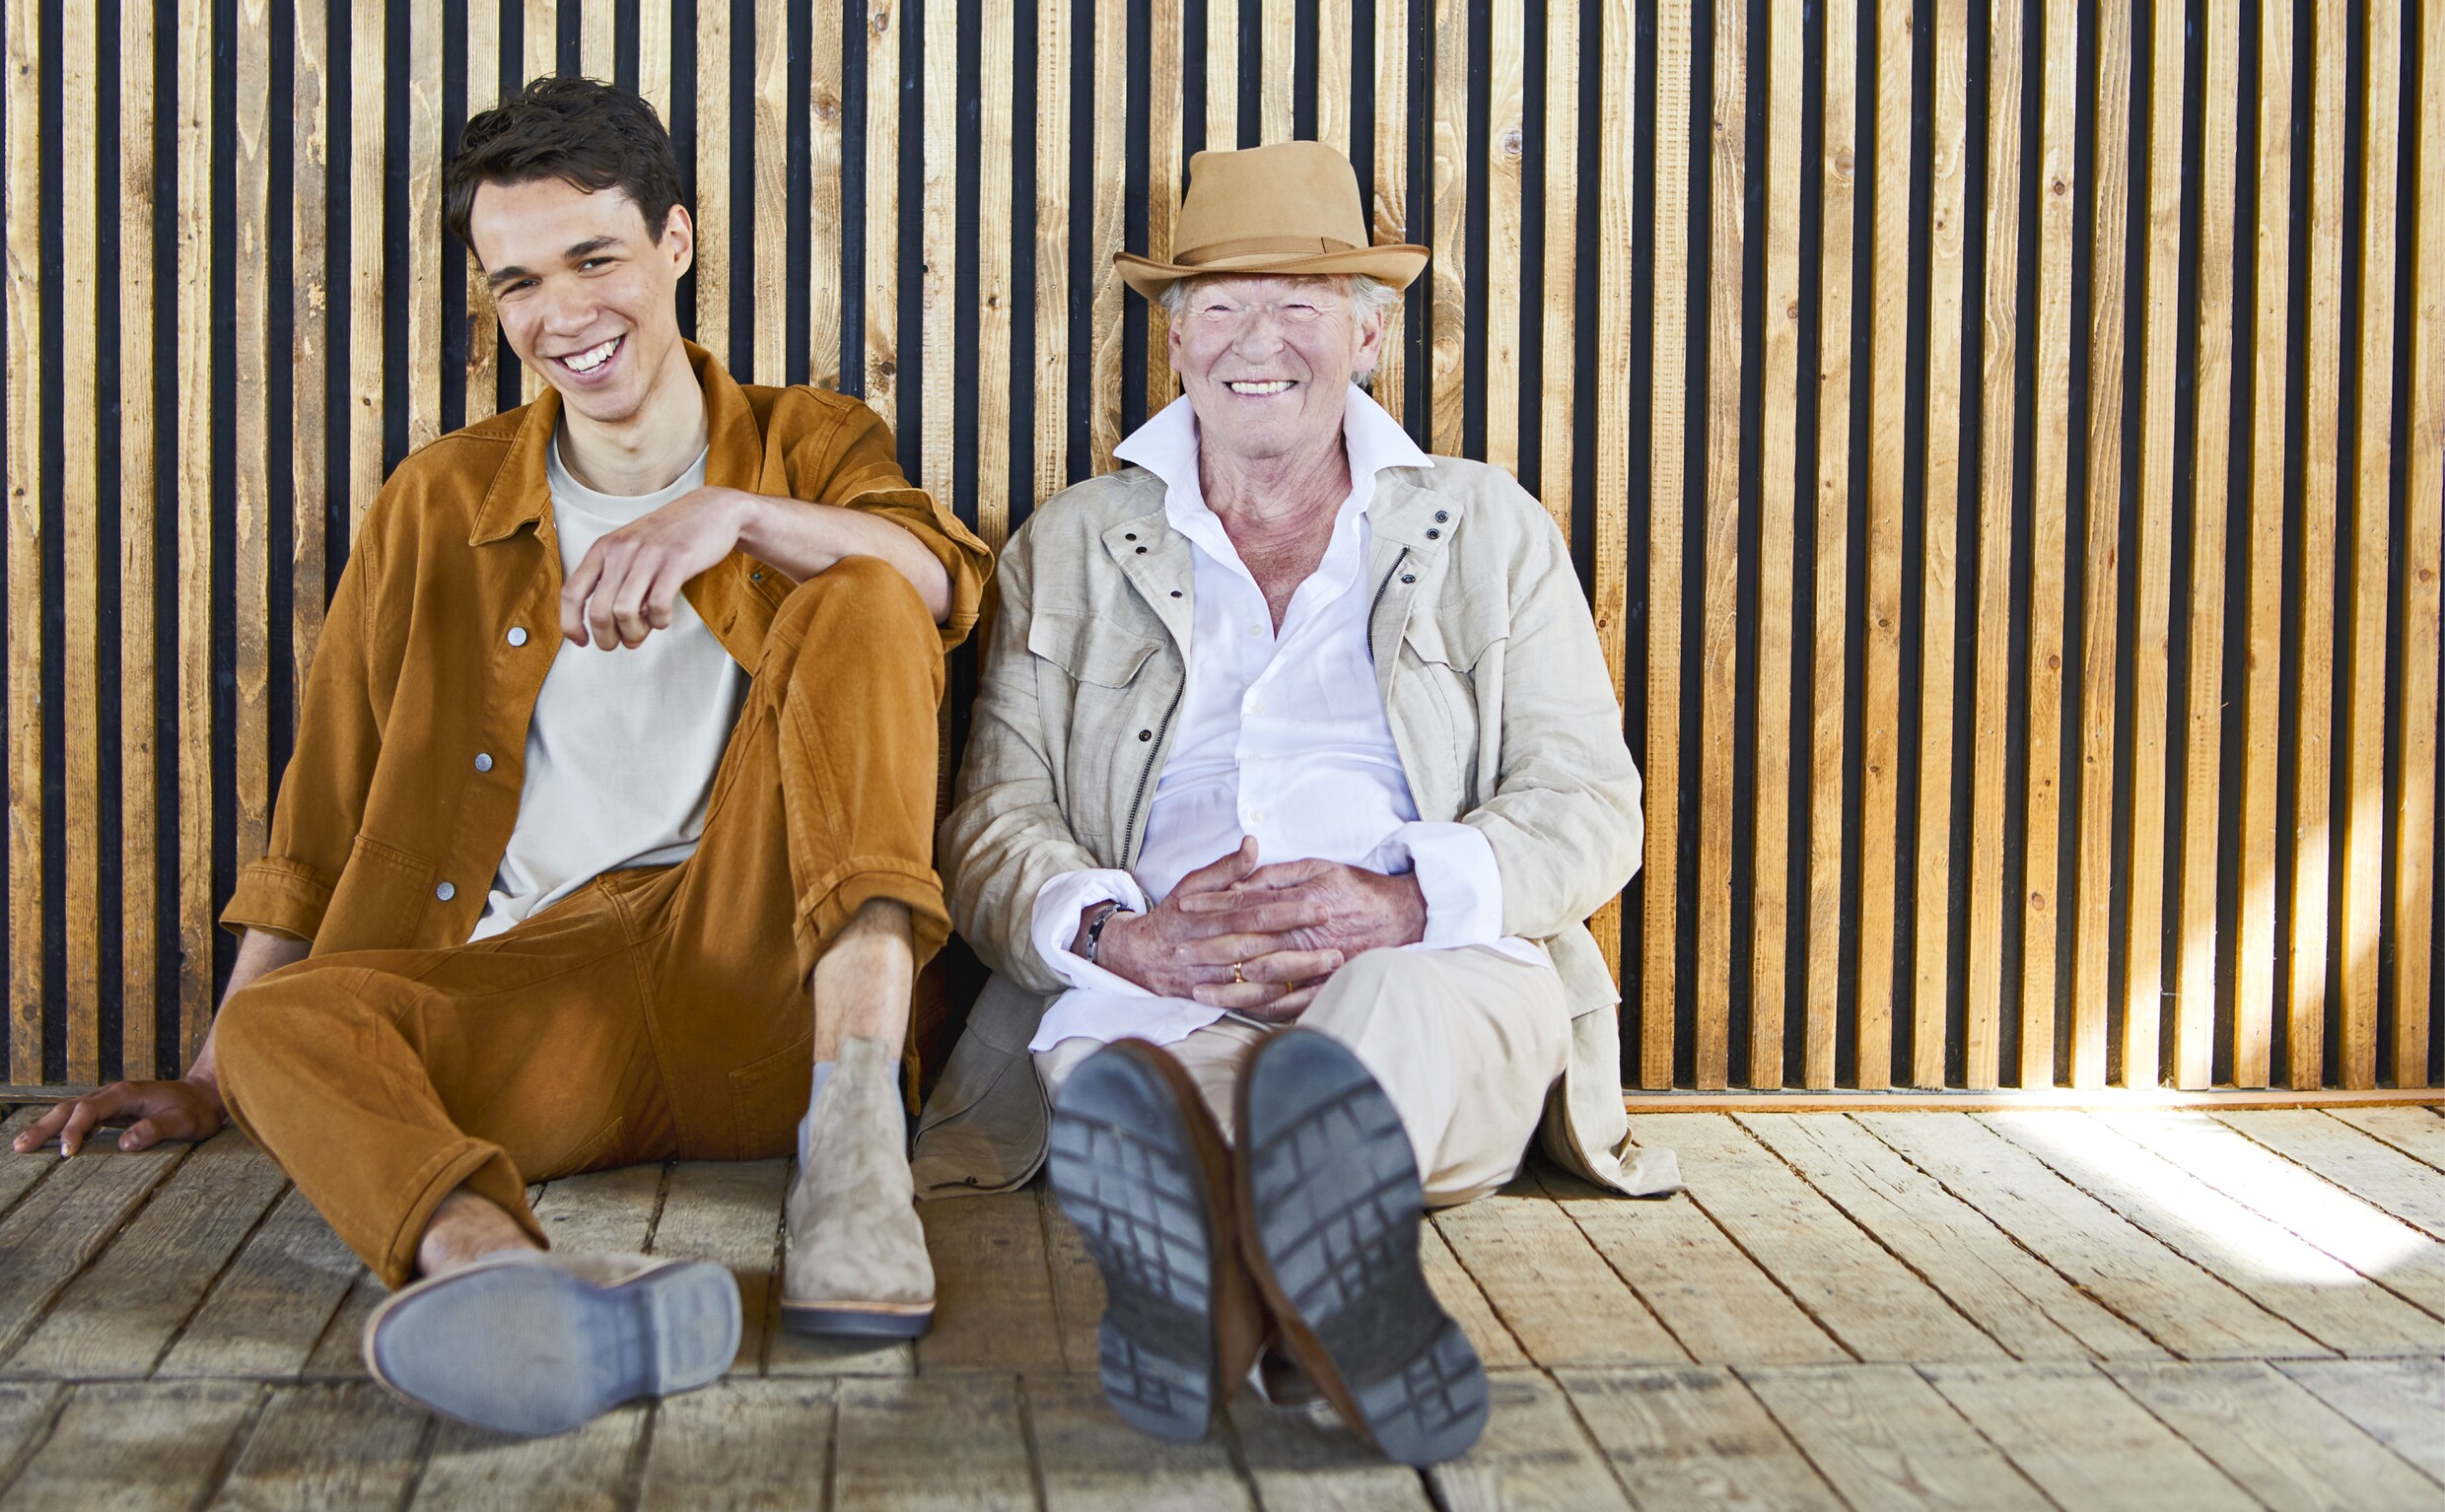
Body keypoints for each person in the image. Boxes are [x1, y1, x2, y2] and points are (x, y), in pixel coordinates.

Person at [13, 77, 991, 1436]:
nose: (563, 316)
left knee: (864, 594)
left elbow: (941, 586)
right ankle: (518, 1283)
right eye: (518, 281)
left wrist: (731, 517)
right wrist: (213, 1078)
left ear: (677, 245)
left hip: (764, 972)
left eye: (595, 258)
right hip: (545, 997)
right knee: (283, 1023)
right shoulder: (438, 499)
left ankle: (858, 1148)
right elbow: (323, 813)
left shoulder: (805, 446)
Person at [921, 140, 1680, 1467]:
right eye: (1218, 304)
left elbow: (1588, 802)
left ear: (1369, 334)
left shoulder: (1488, 530)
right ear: (1173, 341)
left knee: (1363, 1043)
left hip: (1433, 980)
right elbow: (993, 822)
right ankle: (1306, 1307)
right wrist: (1118, 936)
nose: (1254, 341)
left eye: (1299, 303)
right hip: (1164, 994)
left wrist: (1398, 901)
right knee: (1140, 1083)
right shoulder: (1073, 545)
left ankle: (1218, 1303)